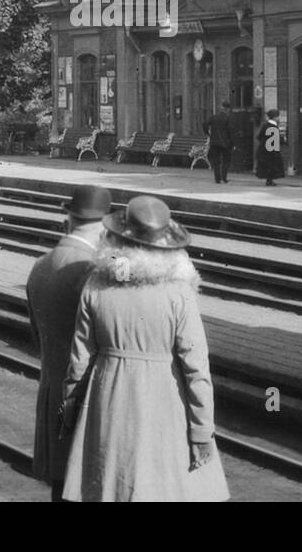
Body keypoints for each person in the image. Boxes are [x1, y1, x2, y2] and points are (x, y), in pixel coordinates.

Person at [59, 195, 229, 502]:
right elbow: (197, 370)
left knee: (111, 485)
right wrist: (202, 432)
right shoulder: (179, 293)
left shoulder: (97, 285)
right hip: (167, 404)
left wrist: (70, 410)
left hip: (108, 402)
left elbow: (79, 362)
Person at [25, 183, 112, 502]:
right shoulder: (92, 271)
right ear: (104, 228)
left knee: (62, 491)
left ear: (69, 219)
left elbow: (36, 335)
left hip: (52, 395)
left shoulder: (40, 265)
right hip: (87, 402)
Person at [203, 101, 233, 185]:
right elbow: (231, 131)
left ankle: (217, 179)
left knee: (216, 161)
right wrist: (232, 143)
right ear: (228, 109)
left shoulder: (214, 117)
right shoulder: (228, 118)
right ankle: (224, 178)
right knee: (226, 161)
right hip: (225, 143)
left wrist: (208, 134)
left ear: (221, 107)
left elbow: (205, 124)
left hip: (214, 142)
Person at [255, 109, 285, 187]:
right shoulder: (274, 127)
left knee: (267, 166)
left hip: (264, 150)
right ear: (275, 117)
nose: (279, 118)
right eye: (278, 116)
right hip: (272, 150)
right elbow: (277, 140)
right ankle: (270, 180)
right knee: (272, 165)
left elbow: (259, 137)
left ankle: (269, 180)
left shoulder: (265, 125)